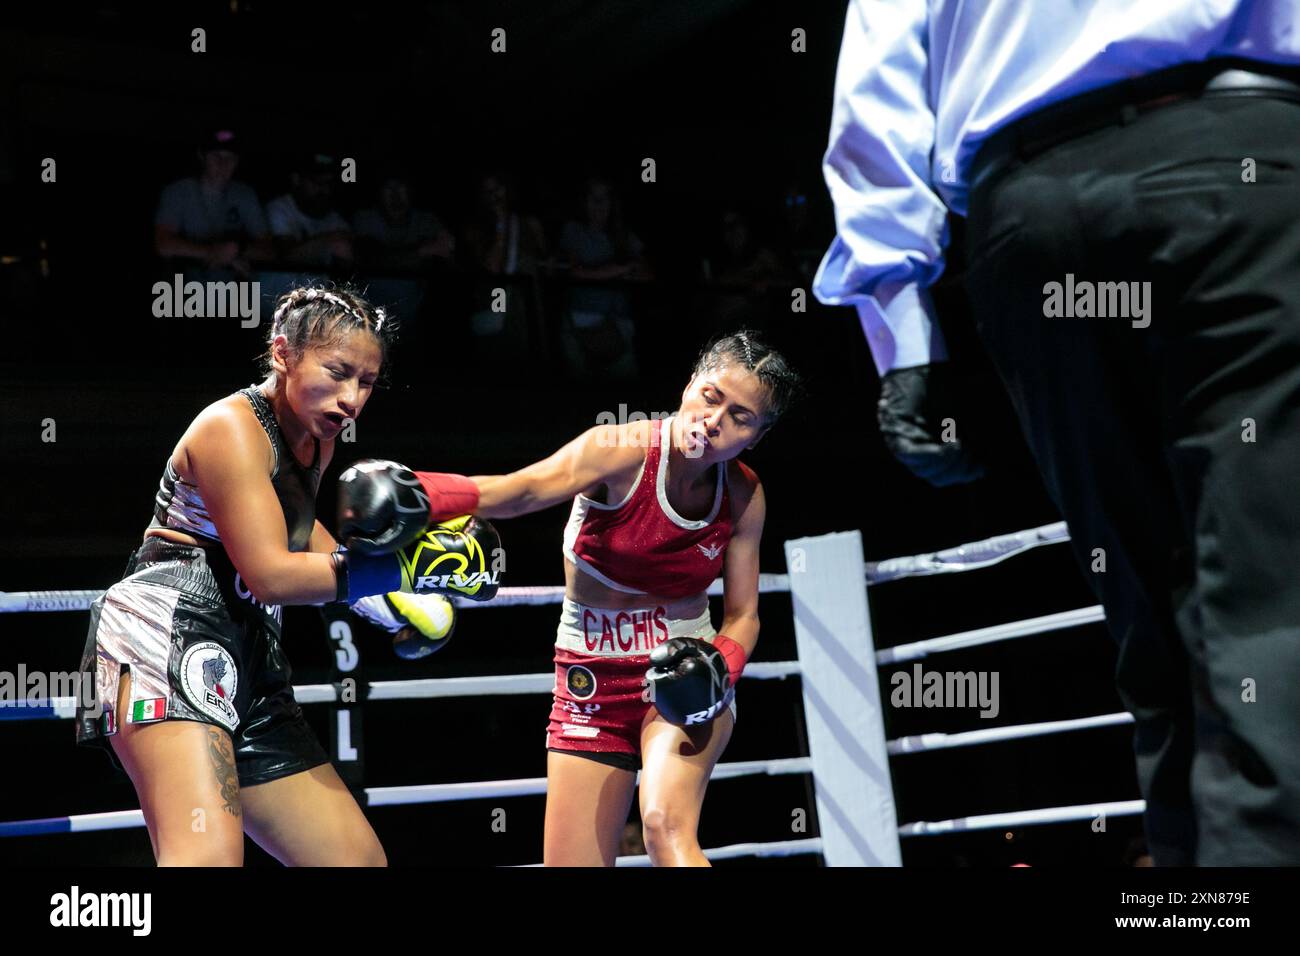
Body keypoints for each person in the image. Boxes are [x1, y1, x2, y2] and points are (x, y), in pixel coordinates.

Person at [814, 0, 1300, 865]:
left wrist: (901, 337)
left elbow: (877, 67)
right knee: (1268, 610)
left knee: (1158, 640)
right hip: (1239, 166)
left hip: (1032, 217)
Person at [340, 330, 802, 865]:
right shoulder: (621, 450)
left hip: (684, 674)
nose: (713, 420)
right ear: (689, 385)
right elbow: (525, 489)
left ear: (758, 435)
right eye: (710, 396)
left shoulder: (744, 494)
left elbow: (745, 615)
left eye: (740, 417)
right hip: (589, 680)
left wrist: (721, 665)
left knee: (664, 827)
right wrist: (421, 491)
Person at [75, 285, 497, 865]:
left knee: (356, 862)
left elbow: (300, 537)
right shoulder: (230, 427)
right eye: (338, 372)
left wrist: (395, 600)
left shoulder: (311, 440)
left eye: (367, 382)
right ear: (283, 354)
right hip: (160, 637)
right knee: (205, 860)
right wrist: (406, 568)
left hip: (249, 652)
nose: (352, 399)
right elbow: (273, 575)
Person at [154, 129, 274, 278]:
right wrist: (216, 252)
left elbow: (269, 250)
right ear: (202, 156)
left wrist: (237, 249)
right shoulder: (178, 191)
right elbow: (163, 245)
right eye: (216, 156)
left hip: (230, 290)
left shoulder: (245, 194)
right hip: (185, 288)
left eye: (230, 158)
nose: (223, 164)